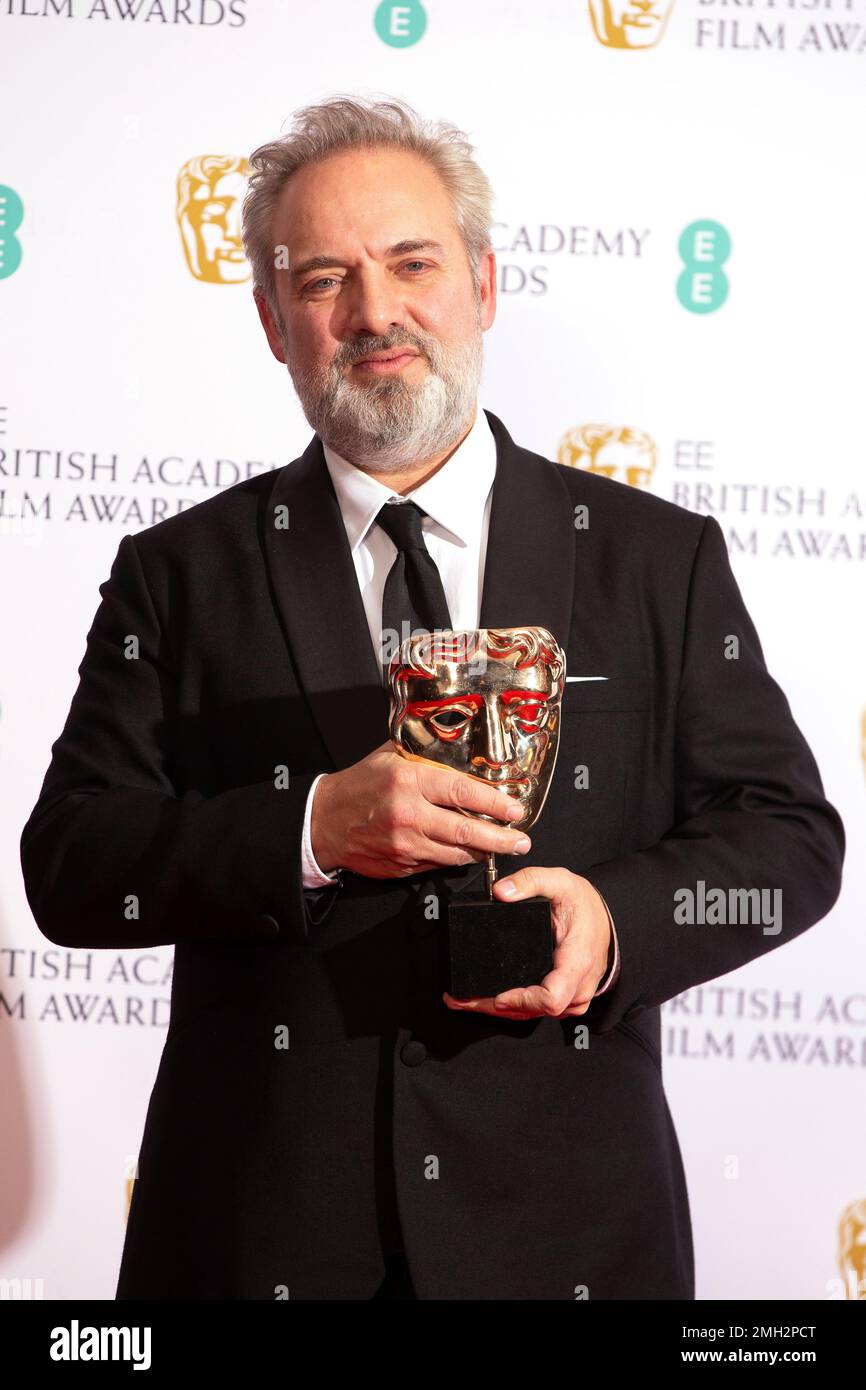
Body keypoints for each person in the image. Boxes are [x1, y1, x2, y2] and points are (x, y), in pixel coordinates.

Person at [20, 95, 844, 1301]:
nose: (374, 312)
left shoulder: (649, 557)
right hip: (260, 1236)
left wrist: (613, 924)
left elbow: (785, 838)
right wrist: (306, 829)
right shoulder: (179, 572)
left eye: (412, 262)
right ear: (269, 321)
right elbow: (74, 864)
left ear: (484, 283)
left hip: (568, 1240)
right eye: (322, 280)